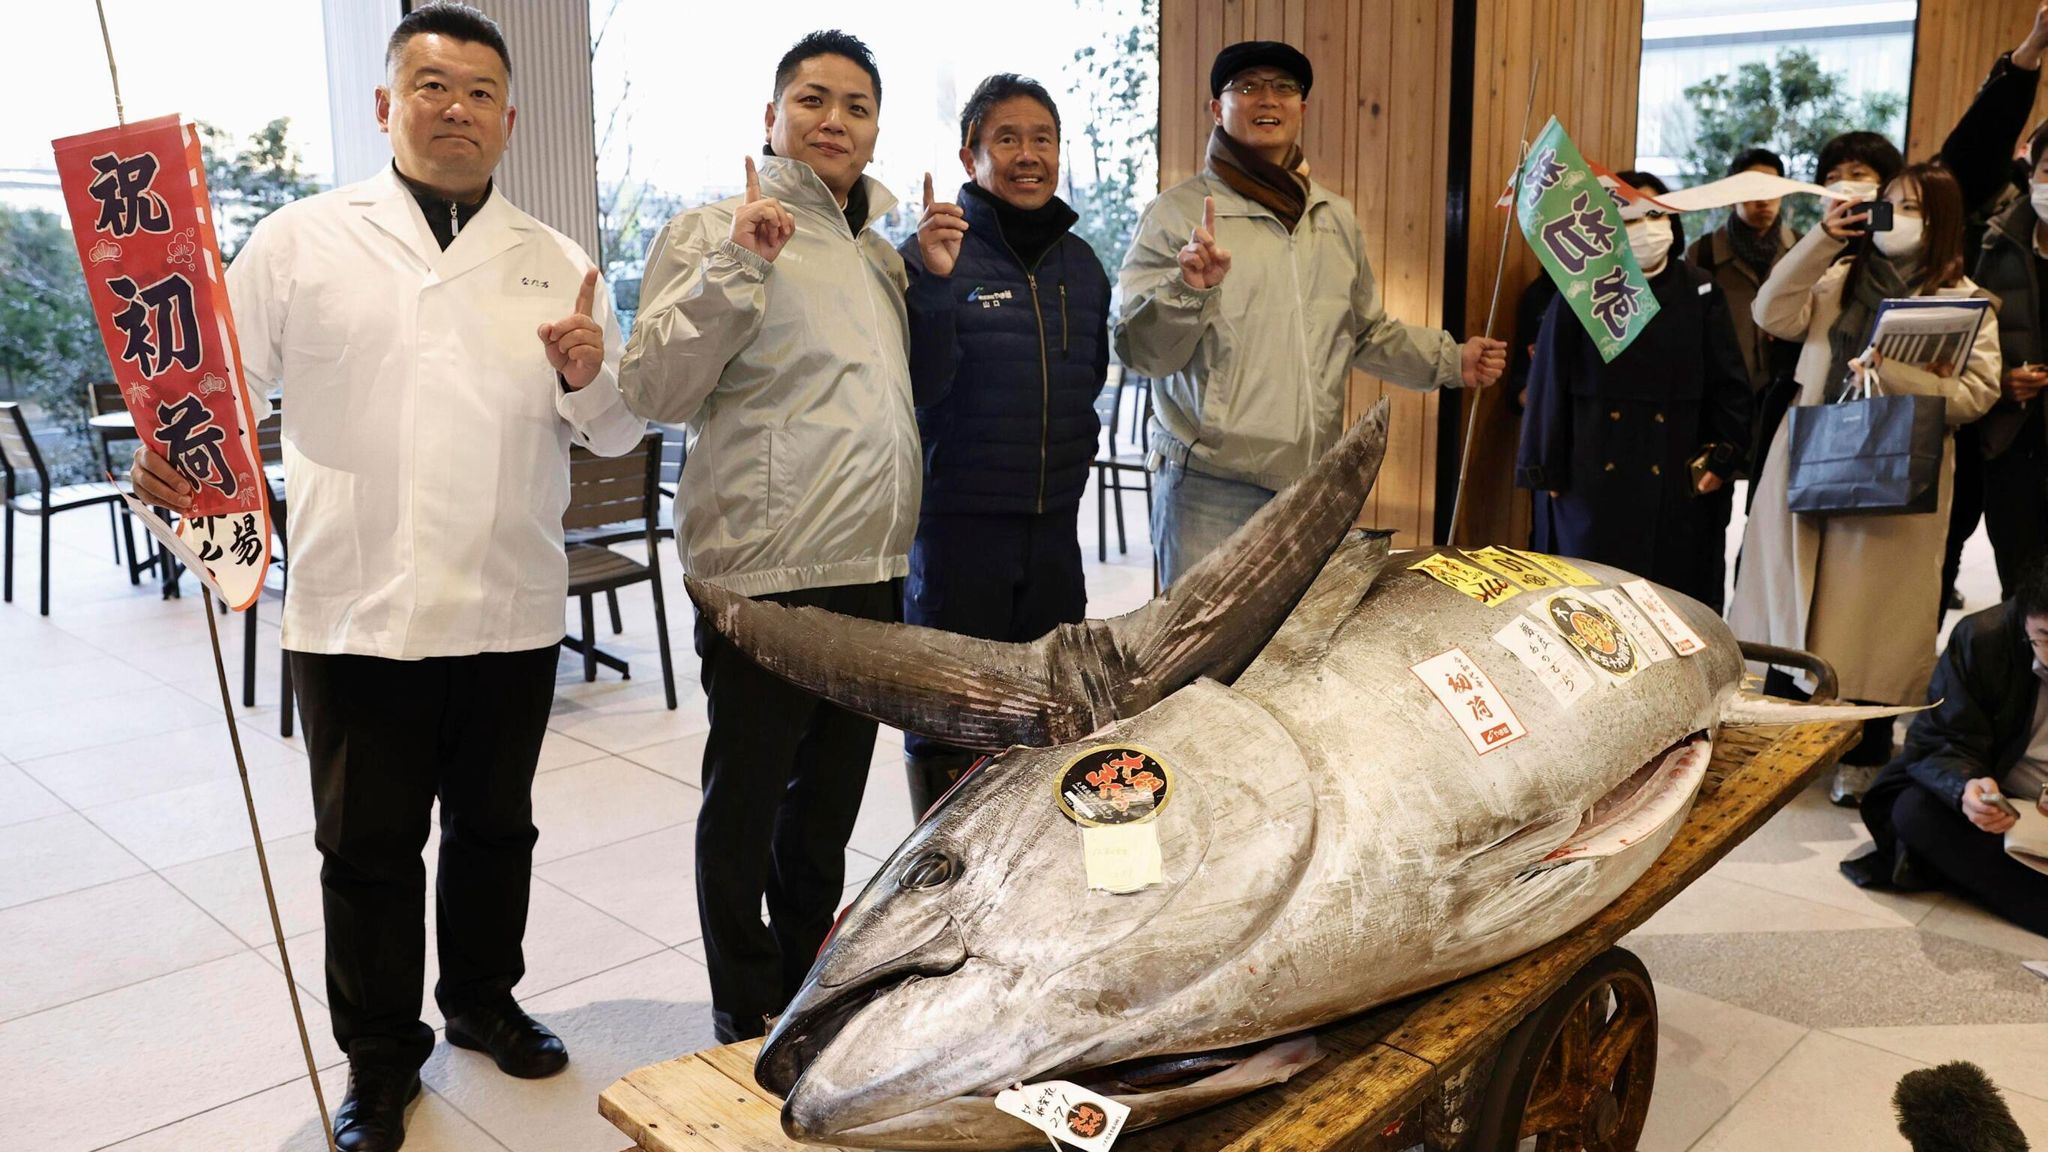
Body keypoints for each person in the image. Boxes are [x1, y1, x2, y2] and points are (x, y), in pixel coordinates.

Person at [130, 5, 644, 1148]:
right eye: (430, 85)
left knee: (494, 829)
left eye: (476, 92)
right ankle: (376, 1056)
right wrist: (175, 461)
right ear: (386, 104)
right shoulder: (301, 242)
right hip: (353, 606)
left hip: (508, 600)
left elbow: (610, 434)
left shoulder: (555, 261)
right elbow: (220, 397)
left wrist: (592, 375)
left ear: (508, 118)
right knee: (365, 850)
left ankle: (481, 1002)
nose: (454, 107)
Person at [618, 30, 915, 1045]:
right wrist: (740, 263)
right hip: (762, 570)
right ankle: (741, 997)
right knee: (744, 801)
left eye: (855, 106)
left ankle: (802, 976)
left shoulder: (877, 252)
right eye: (812, 99)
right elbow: (652, 387)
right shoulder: (716, 226)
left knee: (826, 804)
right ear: (771, 116)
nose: (833, 120)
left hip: (870, 567)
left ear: (875, 129)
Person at [1114, 40, 1506, 586]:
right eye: (1247, 87)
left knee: (1298, 658)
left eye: (1283, 87)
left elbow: (1366, 332)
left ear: (1303, 107)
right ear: (1216, 108)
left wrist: (1452, 360)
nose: (1266, 99)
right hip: (1210, 489)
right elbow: (1140, 351)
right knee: (1198, 663)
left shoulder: (1334, 217)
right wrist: (1187, 289)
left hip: (1313, 489)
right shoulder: (1176, 214)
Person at [1731, 161, 2002, 806]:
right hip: (1813, 452)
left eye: (1912, 209)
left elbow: (1976, 395)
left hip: (1894, 471)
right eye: (1889, 205)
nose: (1895, 220)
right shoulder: (1838, 277)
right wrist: (1824, 237)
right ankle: (1777, 739)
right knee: (1793, 605)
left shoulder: (1968, 302)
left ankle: (1866, 748)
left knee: (1872, 620)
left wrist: (1899, 374)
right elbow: (1772, 312)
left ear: (1939, 224)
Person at [896, 74, 1111, 816]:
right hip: (959, 536)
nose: (1028, 155)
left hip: (1054, 532)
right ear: (970, 156)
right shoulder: (934, 253)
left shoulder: (1082, 266)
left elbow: (1091, 376)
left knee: (1057, 714)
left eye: (1042, 139)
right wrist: (931, 282)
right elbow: (916, 388)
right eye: (1008, 139)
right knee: (950, 720)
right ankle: (945, 882)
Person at [1516, 172, 1750, 612]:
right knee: (1588, 602)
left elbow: (1730, 385)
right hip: (1591, 472)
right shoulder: (1577, 290)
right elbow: (1547, 387)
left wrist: (1725, 454)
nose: (1647, 227)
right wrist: (1543, 471)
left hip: (1676, 469)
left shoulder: (1699, 289)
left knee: (1673, 602)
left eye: (1657, 213)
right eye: (1630, 217)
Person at [1841, 559, 2048, 942]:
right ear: (2024, 618)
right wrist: (1966, 787)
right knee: (1916, 812)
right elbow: (1940, 739)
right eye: (2045, 637)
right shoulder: (1985, 639)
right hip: (2007, 803)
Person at [1935, 6, 2048, 616]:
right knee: (1941, 570)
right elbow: (1967, 157)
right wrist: (2029, 54)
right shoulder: (1988, 228)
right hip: (1980, 432)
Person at [1685, 147, 1799, 477]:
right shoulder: (1704, 253)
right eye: (1752, 190)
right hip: (1720, 398)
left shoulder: (1802, 250)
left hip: (1782, 394)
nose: (1764, 200)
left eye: (1772, 189)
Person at [1971, 120, 2048, 603]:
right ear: (2032, 173)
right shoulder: (1995, 244)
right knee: (2019, 591)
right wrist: (2000, 381)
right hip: (2013, 441)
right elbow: (1966, 340)